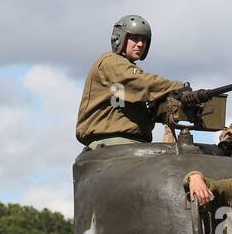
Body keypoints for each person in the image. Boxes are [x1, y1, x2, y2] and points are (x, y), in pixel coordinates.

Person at [76, 15, 190, 148]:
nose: (140, 44)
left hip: (131, 144)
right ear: (120, 38)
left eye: (144, 40)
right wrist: (179, 87)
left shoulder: (122, 72)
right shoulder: (111, 62)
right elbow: (143, 83)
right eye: (135, 38)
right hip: (114, 144)